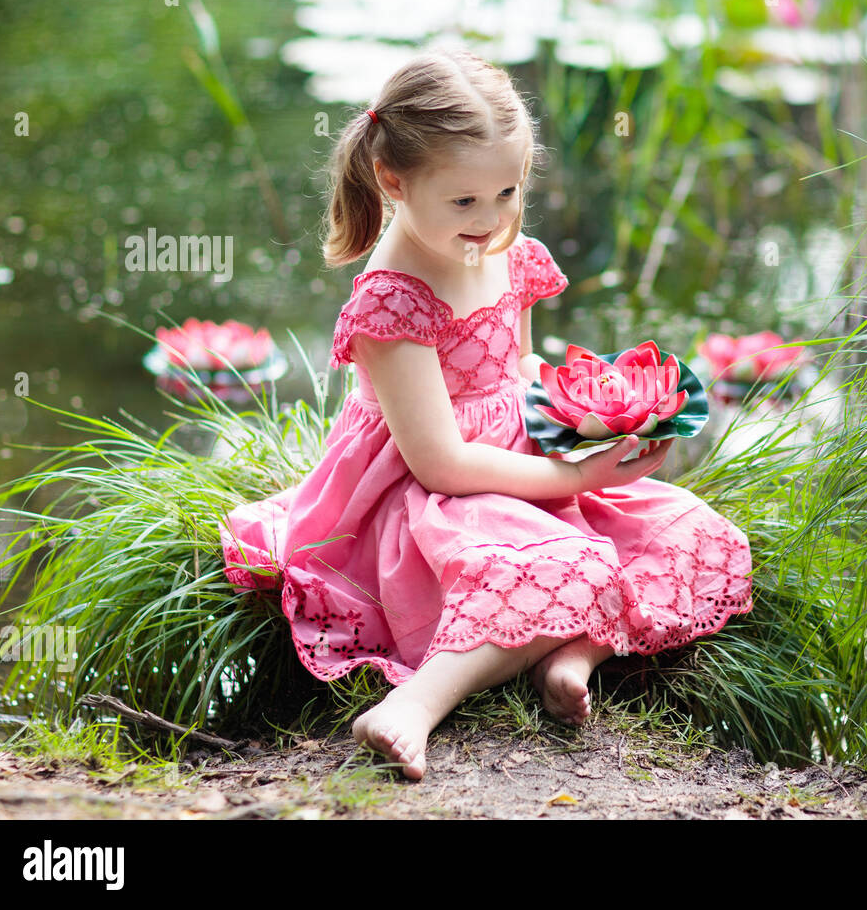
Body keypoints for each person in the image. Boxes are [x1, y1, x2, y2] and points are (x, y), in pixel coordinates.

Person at [218, 48, 753, 780]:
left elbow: (520, 369)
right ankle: (417, 705)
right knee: (550, 563)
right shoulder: (392, 298)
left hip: (524, 460)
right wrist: (567, 479)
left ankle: (572, 651)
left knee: (691, 532)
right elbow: (440, 461)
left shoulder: (506, 250)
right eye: (465, 202)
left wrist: (590, 422)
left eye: (508, 193)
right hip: (432, 495)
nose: (490, 219)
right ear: (393, 181)